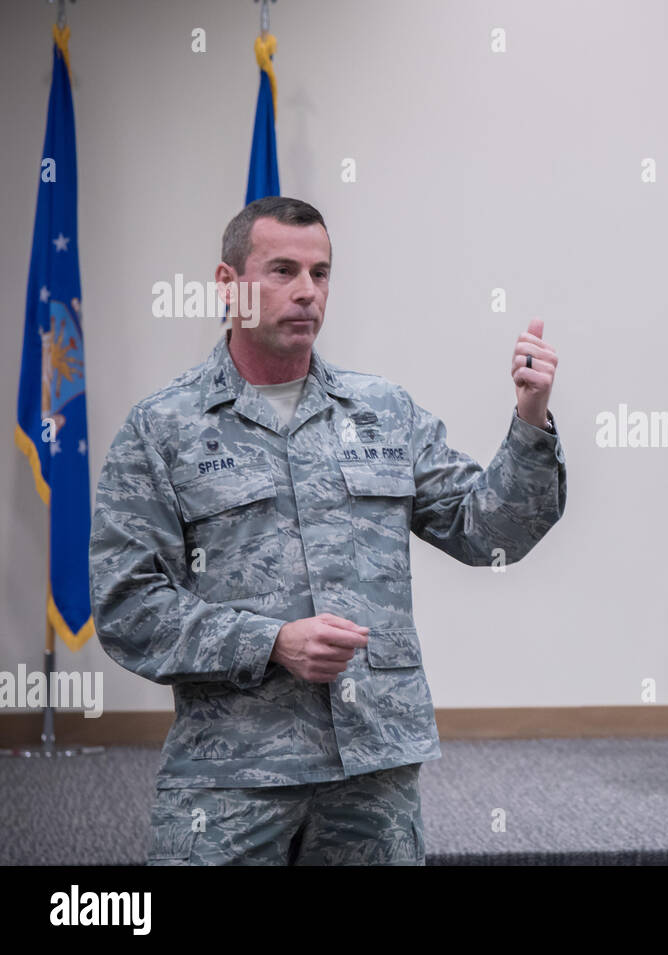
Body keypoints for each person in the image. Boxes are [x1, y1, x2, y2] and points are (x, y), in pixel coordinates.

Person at [89, 197, 566, 864]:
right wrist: (271, 640)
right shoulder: (163, 429)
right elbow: (127, 604)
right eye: (283, 270)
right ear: (228, 284)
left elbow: (490, 531)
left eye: (321, 273)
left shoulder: (382, 412)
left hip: (372, 767)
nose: (307, 292)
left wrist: (530, 421)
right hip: (233, 773)